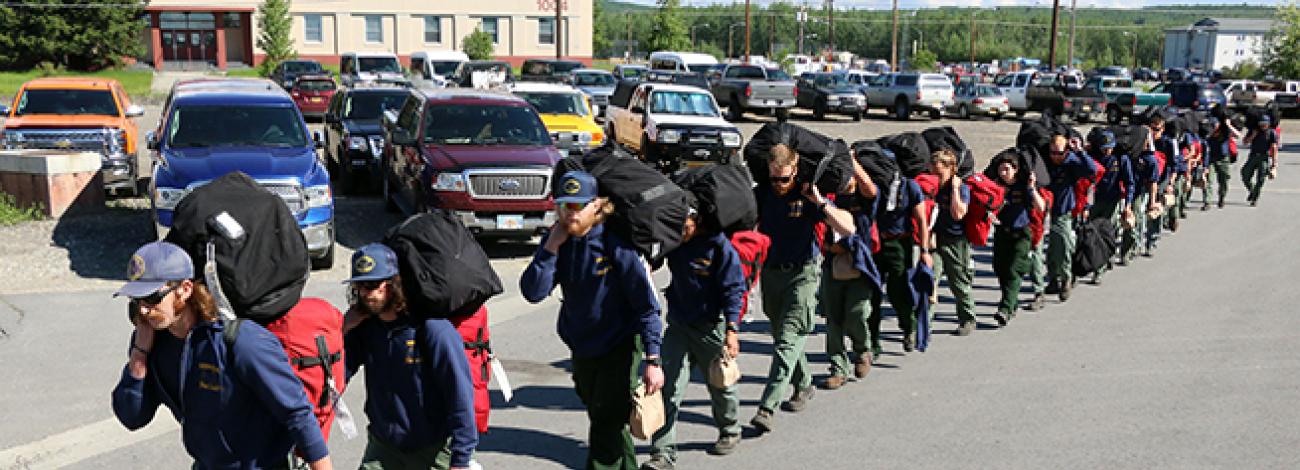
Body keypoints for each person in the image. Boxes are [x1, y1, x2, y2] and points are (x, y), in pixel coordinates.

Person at [110, 241, 334, 470]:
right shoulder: (151, 344)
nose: (144, 310)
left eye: (152, 298)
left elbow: (297, 412)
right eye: (136, 301)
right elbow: (132, 417)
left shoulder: (239, 341)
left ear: (185, 289)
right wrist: (139, 355)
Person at [521, 170, 664, 470]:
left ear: (597, 206)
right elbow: (533, 292)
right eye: (563, 205)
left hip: (619, 346)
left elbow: (647, 306)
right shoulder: (559, 241)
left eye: (577, 206)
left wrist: (653, 359)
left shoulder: (617, 246)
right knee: (605, 420)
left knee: (604, 423)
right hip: (582, 346)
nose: (569, 214)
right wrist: (550, 249)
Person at [341, 243, 478, 470]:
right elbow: (336, 376)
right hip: (383, 446)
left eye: (373, 285)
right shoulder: (364, 329)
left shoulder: (433, 330)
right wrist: (341, 330)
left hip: (433, 448)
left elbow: (460, 395)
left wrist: (461, 460)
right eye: (359, 286)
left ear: (394, 284)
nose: (366, 293)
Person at [750, 144, 856, 433]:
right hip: (771, 275)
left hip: (804, 274)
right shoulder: (761, 194)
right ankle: (804, 383)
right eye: (774, 179)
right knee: (781, 336)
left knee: (788, 338)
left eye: (784, 179)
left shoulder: (808, 196)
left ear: (795, 171)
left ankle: (767, 407)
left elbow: (849, 228)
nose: (779, 185)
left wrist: (820, 202)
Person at [642, 206, 747, 469]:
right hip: (678, 325)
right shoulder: (674, 242)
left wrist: (732, 330)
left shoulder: (718, 247)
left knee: (720, 385)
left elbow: (734, 288)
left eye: (685, 226)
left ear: (697, 221)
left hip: (711, 326)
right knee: (667, 388)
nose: (681, 232)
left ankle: (730, 429)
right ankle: (663, 453)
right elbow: (653, 259)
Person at [818, 156, 880, 390]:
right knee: (833, 318)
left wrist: (850, 159)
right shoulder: (829, 197)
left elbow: (870, 187)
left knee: (856, 313)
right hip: (832, 262)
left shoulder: (864, 198)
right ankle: (838, 368)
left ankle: (863, 350)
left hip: (860, 264)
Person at [869, 165, 933, 357]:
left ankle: (909, 327)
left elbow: (921, 219)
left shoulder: (909, 187)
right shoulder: (873, 186)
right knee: (872, 296)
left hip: (900, 244)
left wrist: (924, 250)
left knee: (899, 292)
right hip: (875, 244)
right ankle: (872, 344)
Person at [926, 149, 977, 336]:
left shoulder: (961, 188)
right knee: (930, 281)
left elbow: (958, 214)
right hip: (934, 240)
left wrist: (955, 189)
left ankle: (967, 318)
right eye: (933, 172)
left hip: (956, 241)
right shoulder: (931, 186)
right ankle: (926, 323)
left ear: (951, 169)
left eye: (939, 173)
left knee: (959, 282)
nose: (936, 177)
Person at [1043, 133, 1099, 302]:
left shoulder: (1071, 161)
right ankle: (1053, 278)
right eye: (1052, 152)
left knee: (1064, 246)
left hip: (1064, 211)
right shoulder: (1046, 161)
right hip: (1046, 211)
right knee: (1053, 248)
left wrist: (1080, 151)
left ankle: (1066, 279)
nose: (1055, 157)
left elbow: (1092, 170)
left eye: (1059, 153)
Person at [991, 157, 1046, 325]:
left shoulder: (1023, 187)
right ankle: (1011, 303)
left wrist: (1032, 187)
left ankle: (1005, 309)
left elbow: (1041, 207)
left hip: (1021, 234)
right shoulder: (996, 187)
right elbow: (987, 207)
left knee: (1014, 270)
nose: (1004, 173)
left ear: (1015, 170)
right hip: (1002, 233)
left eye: (1007, 169)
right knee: (1001, 269)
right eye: (1001, 169)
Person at [1085, 130, 1134, 284]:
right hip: (1095, 201)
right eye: (1104, 147)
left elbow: (1129, 182)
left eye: (1110, 147)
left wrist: (1128, 204)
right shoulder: (1093, 158)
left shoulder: (1120, 159)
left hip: (1113, 201)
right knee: (1093, 234)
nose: (1107, 151)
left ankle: (1100, 268)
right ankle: (1100, 263)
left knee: (1107, 232)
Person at [1144, 116, 1179, 255]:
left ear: (1162, 129)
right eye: (1151, 129)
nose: (1153, 132)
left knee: (1155, 210)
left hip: (1162, 180)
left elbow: (1174, 166)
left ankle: (1151, 240)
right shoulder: (1145, 141)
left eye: (1157, 130)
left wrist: (1170, 183)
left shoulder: (1168, 143)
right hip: (1145, 180)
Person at [1202, 117, 1241, 210]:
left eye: (1215, 125)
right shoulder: (1208, 133)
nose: (1214, 127)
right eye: (1212, 126)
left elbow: (1238, 135)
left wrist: (1229, 125)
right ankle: (1207, 202)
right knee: (1208, 181)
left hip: (1224, 159)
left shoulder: (1225, 132)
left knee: (1224, 180)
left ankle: (1222, 197)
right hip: (1211, 159)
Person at [1241, 115, 1279, 207]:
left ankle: (1254, 198)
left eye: (1265, 124)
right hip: (1253, 156)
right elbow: (1245, 142)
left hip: (1264, 157)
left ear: (1268, 124)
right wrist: (1253, 135)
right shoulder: (1254, 131)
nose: (1263, 126)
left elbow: (1274, 148)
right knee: (1245, 174)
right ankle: (1253, 191)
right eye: (1261, 124)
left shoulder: (1272, 133)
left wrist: (1274, 164)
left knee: (1260, 179)